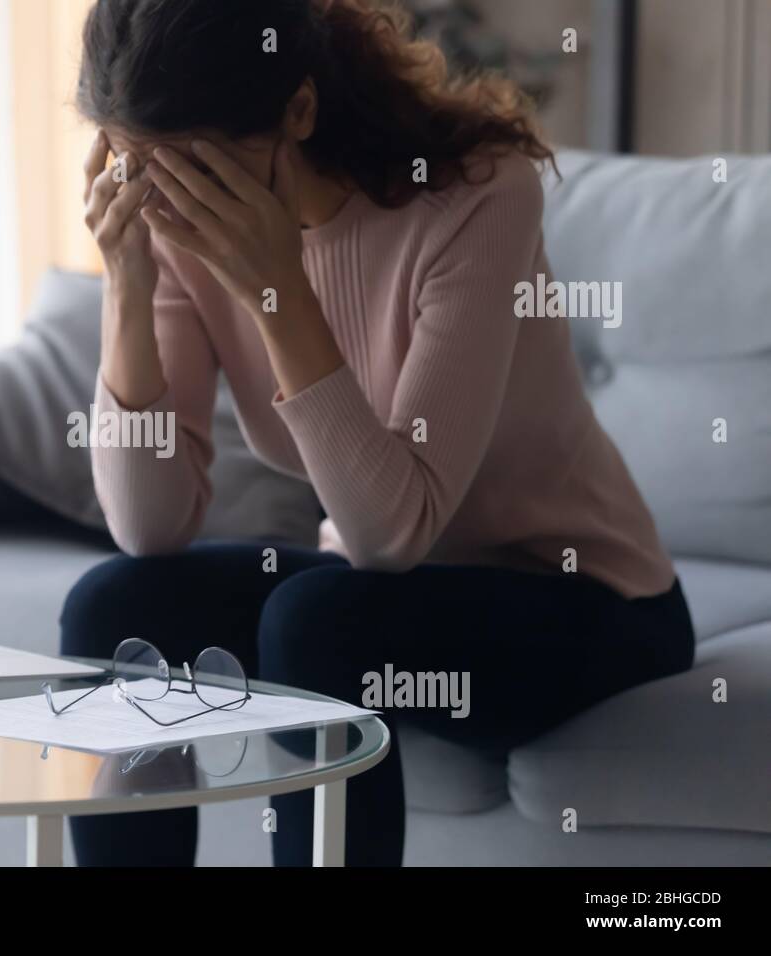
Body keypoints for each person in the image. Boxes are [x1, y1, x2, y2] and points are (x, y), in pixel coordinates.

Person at [58, 0, 695, 866]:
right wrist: (127, 284)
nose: (170, 204)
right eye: (136, 168)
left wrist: (279, 289)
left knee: (317, 621)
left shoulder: (474, 196)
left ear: (300, 111)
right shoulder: (168, 229)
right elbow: (150, 525)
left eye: (201, 174)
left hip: (587, 600)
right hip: (379, 589)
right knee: (114, 602)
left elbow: (393, 533)